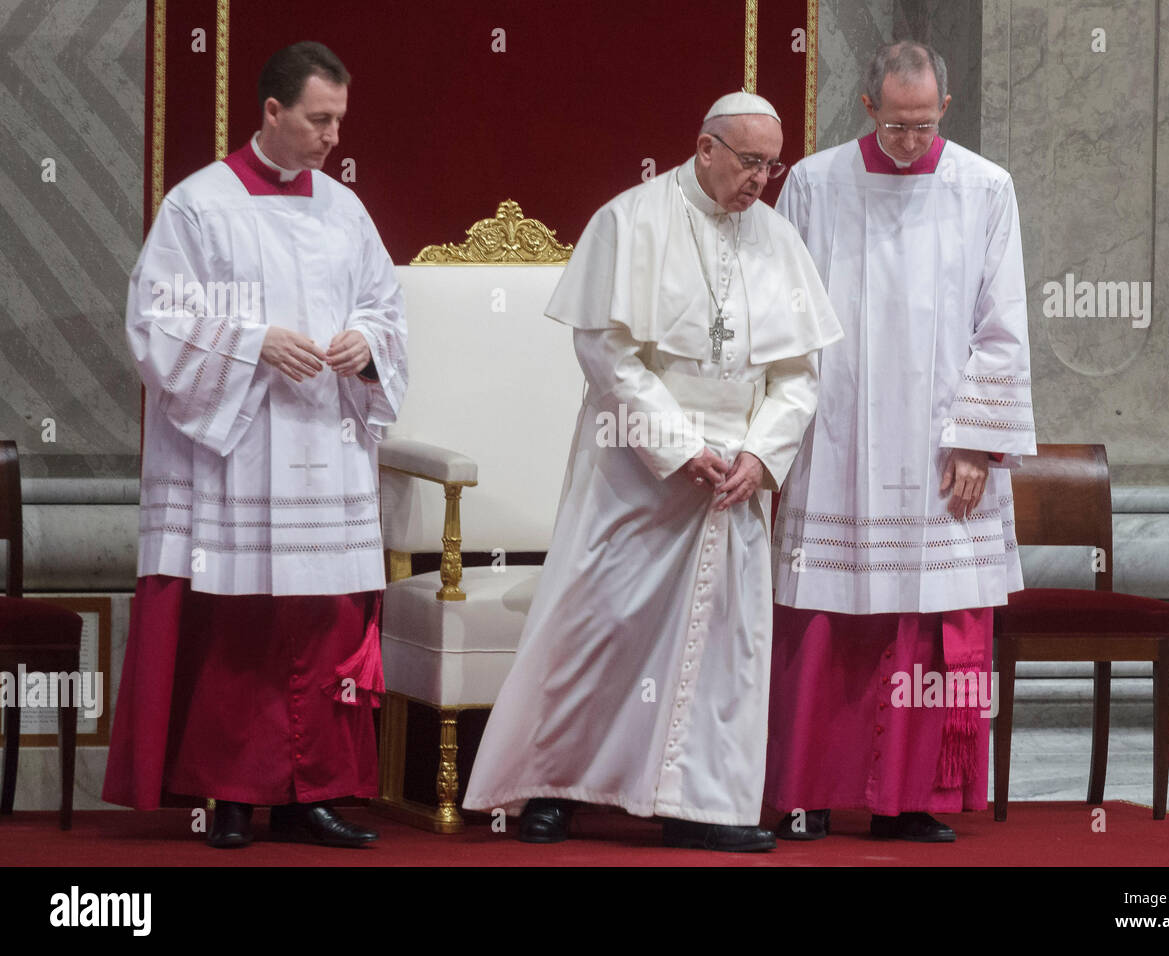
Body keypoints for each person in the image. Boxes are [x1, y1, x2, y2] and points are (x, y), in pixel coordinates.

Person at [461, 92, 841, 852]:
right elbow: (605, 351)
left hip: (732, 479)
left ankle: (700, 806)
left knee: (722, 648)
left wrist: (762, 455)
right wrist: (676, 445)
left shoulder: (778, 240)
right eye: (749, 161)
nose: (763, 178)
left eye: (773, 164)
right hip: (635, 471)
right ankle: (552, 792)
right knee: (598, 628)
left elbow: (800, 373)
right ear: (706, 148)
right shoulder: (629, 221)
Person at [102, 41, 407, 849]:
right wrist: (253, 343)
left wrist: (364, 344)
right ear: (271, 113)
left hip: (326, 444)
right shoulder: (199, 206)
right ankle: (229, 794)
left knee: (324, 622)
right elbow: (155, 323)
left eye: (338, 120)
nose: (331, 136)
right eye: (317, 119)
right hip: (237, 451)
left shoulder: (344, 209)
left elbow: (386, 306)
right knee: (241, 626)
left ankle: (315, 796)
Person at [765, 41, 1036, 843]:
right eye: (896, 122)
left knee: (925, 617)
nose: (910, 139)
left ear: (943, 111)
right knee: (825, 617)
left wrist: (978, 444)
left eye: (924, 124)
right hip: (836, 435)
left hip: (937, 446)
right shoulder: (813, 185)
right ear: (867, 105)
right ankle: (804, 791)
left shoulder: (986, 188)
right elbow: (781, 312)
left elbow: (1002, 327)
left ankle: (909, 800)